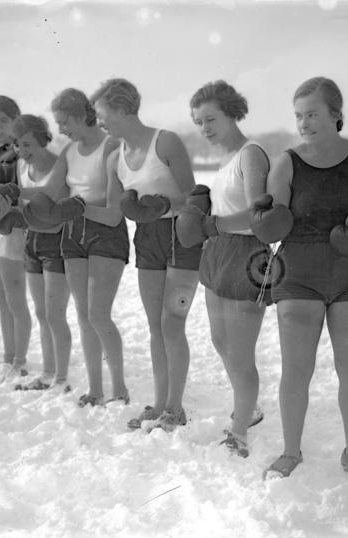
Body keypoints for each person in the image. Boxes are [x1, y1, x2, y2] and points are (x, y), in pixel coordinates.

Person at [263, 77, 348, 478]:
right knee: (296, 371)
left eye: (312, 114)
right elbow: (271, 223)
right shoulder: (286, 161)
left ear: (335, 114)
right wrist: (265, 220)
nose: (304, 122)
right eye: (299, 116)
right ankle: (290, 452)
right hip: (298, 276)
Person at [91, 78, 201, 432]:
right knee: (156, 326)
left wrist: (165, 203)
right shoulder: (113, 158)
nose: (100, 122)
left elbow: (193, 196)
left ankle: (176, 407)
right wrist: (71, 209)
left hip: (180, 236)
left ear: (122, 109)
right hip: (147, 238)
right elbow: (111, 213)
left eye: (102, 114)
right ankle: (160, 404)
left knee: (173, 323)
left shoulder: (165, 141)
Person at [25, 87, 130, 407]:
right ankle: (96, 390)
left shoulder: (112, 147)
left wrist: (79, 205)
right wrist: (9, 198)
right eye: (57, 123)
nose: (59, 130)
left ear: (82, 115)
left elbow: (114, 213)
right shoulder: (70, 151)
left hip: (105, 234)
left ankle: (120, 388)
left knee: (99, 313)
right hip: (73, 234)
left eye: (63, 122)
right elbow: (46, 191)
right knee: (84, 315)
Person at [187, 80, 270, 456]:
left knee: (239, 350)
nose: (205, 128)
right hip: (218, 251)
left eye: (210, 118)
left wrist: (215, 224)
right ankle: (248, 407)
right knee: (221, 342)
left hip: (246, 253)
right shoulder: (223, 157)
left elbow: (258, 217)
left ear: (232, 111)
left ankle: (239, 432)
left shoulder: (251, 154)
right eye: (199, 122)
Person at [11, 115, 73, 391]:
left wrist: (16, 194)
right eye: (17, 144)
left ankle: (61, 378)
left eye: (27, 143)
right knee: (40, 311)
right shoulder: (22, 165)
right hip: (31, 242)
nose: (22, 150)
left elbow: (55, 205)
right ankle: (48, 374)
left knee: (55, 313)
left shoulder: (60, 164)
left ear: (43, 139)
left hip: (57, 242)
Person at [0, 95, 32, 381]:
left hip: (9, 225)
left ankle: (20, 359)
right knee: (0, 299)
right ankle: (7, 355)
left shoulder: (20, 153)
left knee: (15, 298)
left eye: (3, 120)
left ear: (15, 121)